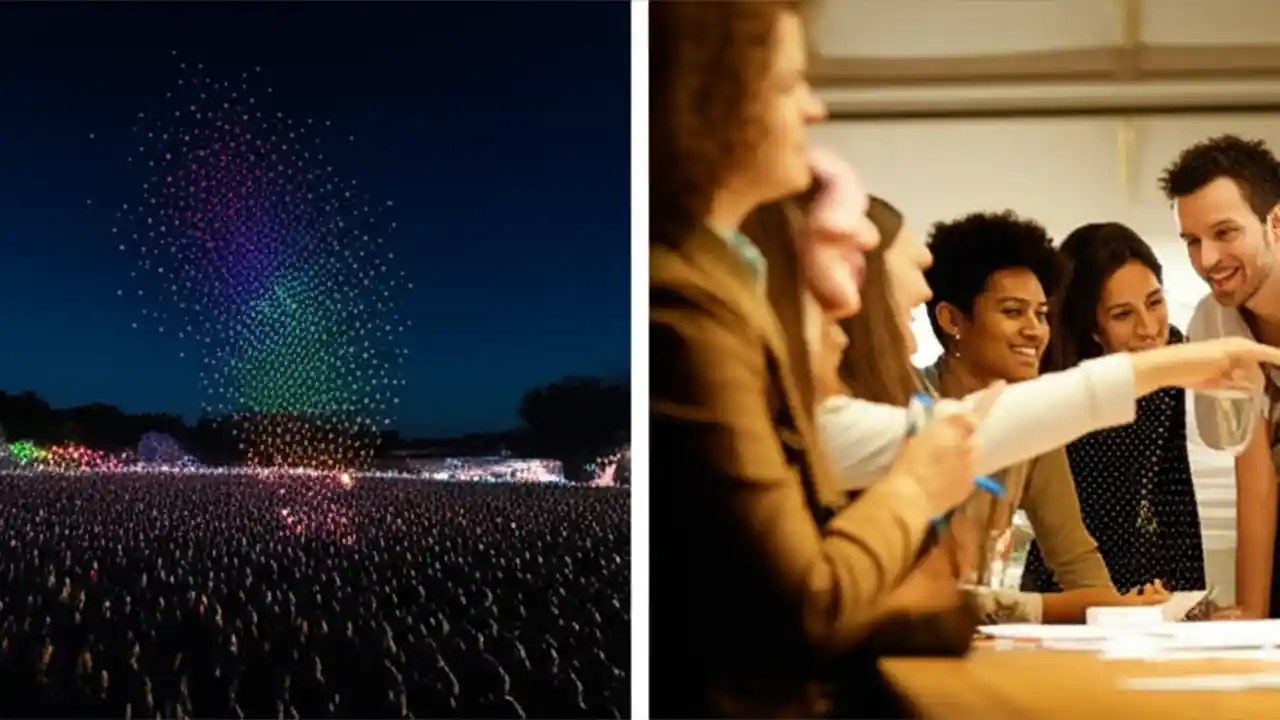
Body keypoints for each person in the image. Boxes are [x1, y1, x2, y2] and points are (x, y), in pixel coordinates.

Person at [650, 3, 987, 715]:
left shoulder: (714, 289)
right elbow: (806, 602)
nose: (813, 109)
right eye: (788, 85)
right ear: (709, 98)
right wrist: (918, 488)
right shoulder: (685, 307)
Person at [1021, 222, 1206, 596]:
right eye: (1123, 315)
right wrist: (1118, 598)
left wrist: (1189, 597)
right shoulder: (1060, 386)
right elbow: (1088, 521)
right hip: (1066, 583)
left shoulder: (1168, 363)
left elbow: (1173, 493)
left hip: (1146, 585)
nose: (1149, 328)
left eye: (1155, 302)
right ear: (1091, 325)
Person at [1162, 134, 1280, 619]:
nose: (1207, 260)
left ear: (1276, 223)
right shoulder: (1213, 324)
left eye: (1225, 233)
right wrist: (1252, 613)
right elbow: (1255, 475)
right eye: (1192, 241)